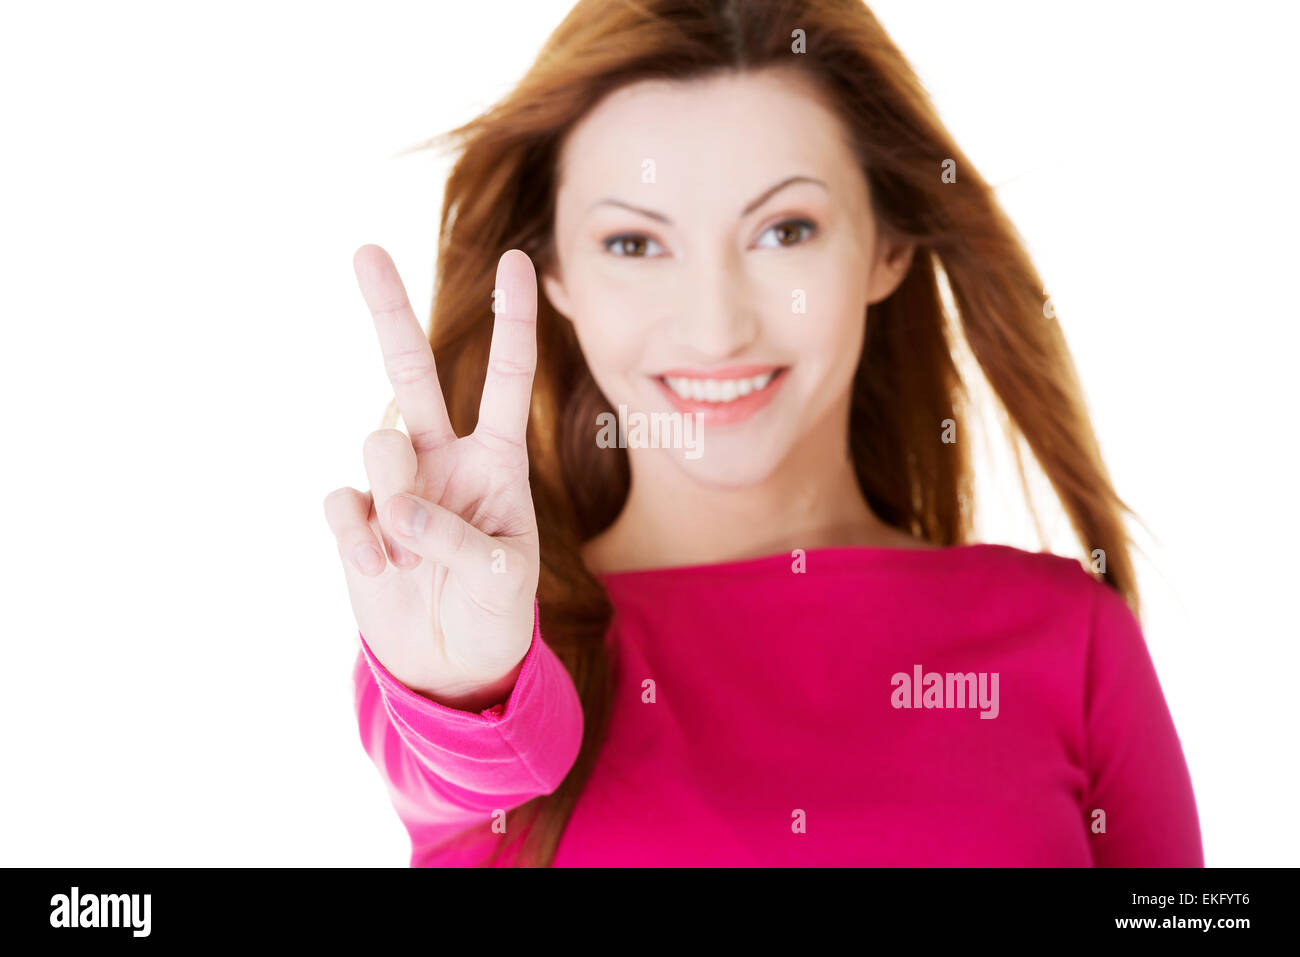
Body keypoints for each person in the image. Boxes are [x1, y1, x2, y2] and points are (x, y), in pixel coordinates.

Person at [323, 0, 1203, 867]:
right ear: (552, 269)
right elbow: (483, 758)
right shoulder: (483, 647)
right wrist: (467, 692)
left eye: (785, 230)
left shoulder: (1072, 640)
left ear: (886, 245)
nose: (716, 329)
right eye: (633, 243)